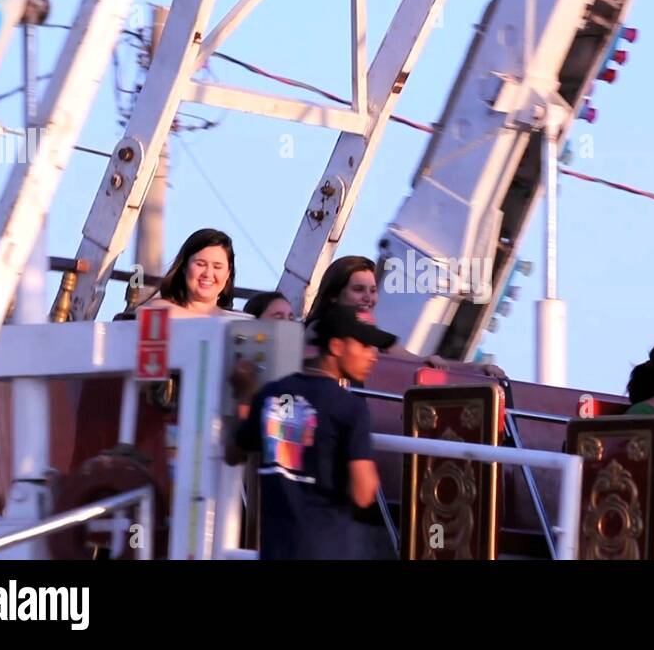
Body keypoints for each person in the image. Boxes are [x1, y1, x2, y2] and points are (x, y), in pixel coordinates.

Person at [229, 303, 392, 560]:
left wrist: (245, 395)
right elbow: (364, 494)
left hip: (276, 548)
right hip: (328, 548)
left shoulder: (270, 393)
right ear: (336, 346)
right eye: (364, 346)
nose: (373, 356)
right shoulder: (350, 408)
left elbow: (233, 454)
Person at [305, 255, 505, 378]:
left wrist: (478, 369)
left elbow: (417, 362)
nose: (368, 298)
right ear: (333, 295)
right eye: (358, 290)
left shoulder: (372, 338)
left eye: (373, 290)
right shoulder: (315, 330)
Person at [135, 228, 243, 318]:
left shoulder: (238, 321)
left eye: (217, 267)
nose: (208, 273)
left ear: (228, 272)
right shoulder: (157, 308)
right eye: (200, 264)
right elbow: (146, 312)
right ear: (184, 266)